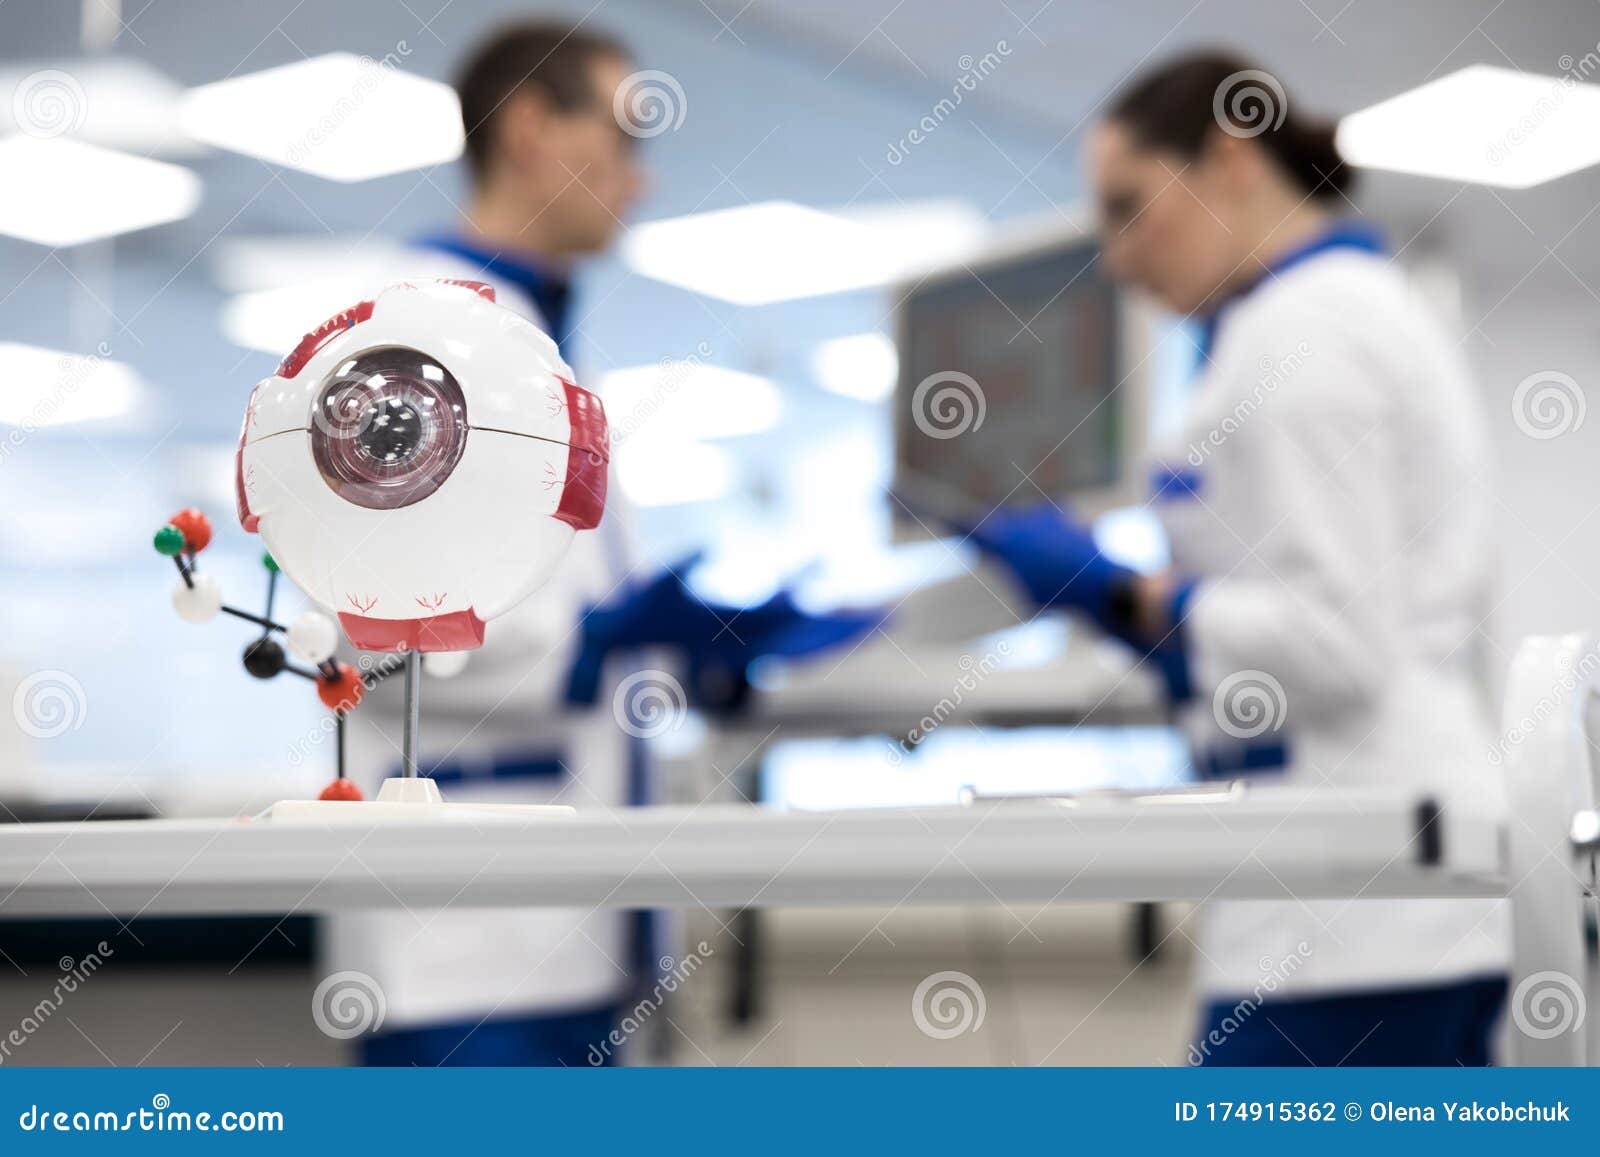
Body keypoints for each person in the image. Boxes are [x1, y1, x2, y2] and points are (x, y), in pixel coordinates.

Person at [325, 21, 875, 1068]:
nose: (643, 180)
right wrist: (597, 638)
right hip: (460, 941)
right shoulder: (408, 339)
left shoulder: (530, 342)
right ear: (531, 130)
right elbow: (364, 637)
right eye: (623, 137)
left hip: (570, 927)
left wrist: (691, 649)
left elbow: (535, 601)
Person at [953, 51, 1507, 1065]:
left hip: (1359, 905)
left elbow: (1337, 644)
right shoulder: (1308, 316)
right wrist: (1137, 610)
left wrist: (1123, 591)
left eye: (1129, 209)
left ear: (1229, 157)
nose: (1116, 258)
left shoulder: (1306, 329)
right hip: (1358, 888)